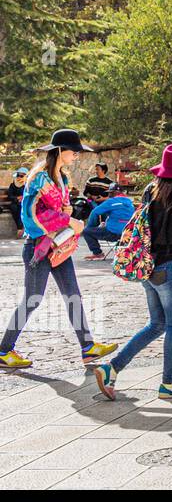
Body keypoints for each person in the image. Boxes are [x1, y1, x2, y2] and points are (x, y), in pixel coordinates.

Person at [93, 143, 172, 400]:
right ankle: (169, 383)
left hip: (148, 266)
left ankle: (111, 368)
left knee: (157, 323)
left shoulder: (153, 190)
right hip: (170, 267)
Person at [0, 129, 117, 370]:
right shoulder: (39, 178)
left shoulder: (61, 178)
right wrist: (69, 221)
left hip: (58, 247)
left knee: (72, 295)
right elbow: (33, 216)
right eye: (74, 151)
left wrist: (68, 213)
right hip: (38, 249)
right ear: (61, 152)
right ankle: (3, 350)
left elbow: (61, 210)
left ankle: (87, 347)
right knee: (33, 300)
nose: (77, 155)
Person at [82, 186, 135, 261]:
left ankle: (97, 253)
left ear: (114, 193)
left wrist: (91, 226)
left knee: (86, 231)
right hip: (128, 233)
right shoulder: (129, 202)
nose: (109, 195)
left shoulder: (111, 201)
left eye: (110, 193)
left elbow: (95, 212)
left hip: (113, 233)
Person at [5, 167, 27, 232]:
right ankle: (20, 228)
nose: (19, 177)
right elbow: (10, 196)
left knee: (21, 208)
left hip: (24, 202)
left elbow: (30, 194)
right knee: (13, 208)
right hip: (15, 202)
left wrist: (23, 197)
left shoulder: (26, 185)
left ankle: (20, 228)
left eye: (21, 176)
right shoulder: (12, 185)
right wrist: (17, 198)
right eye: (18, 175)